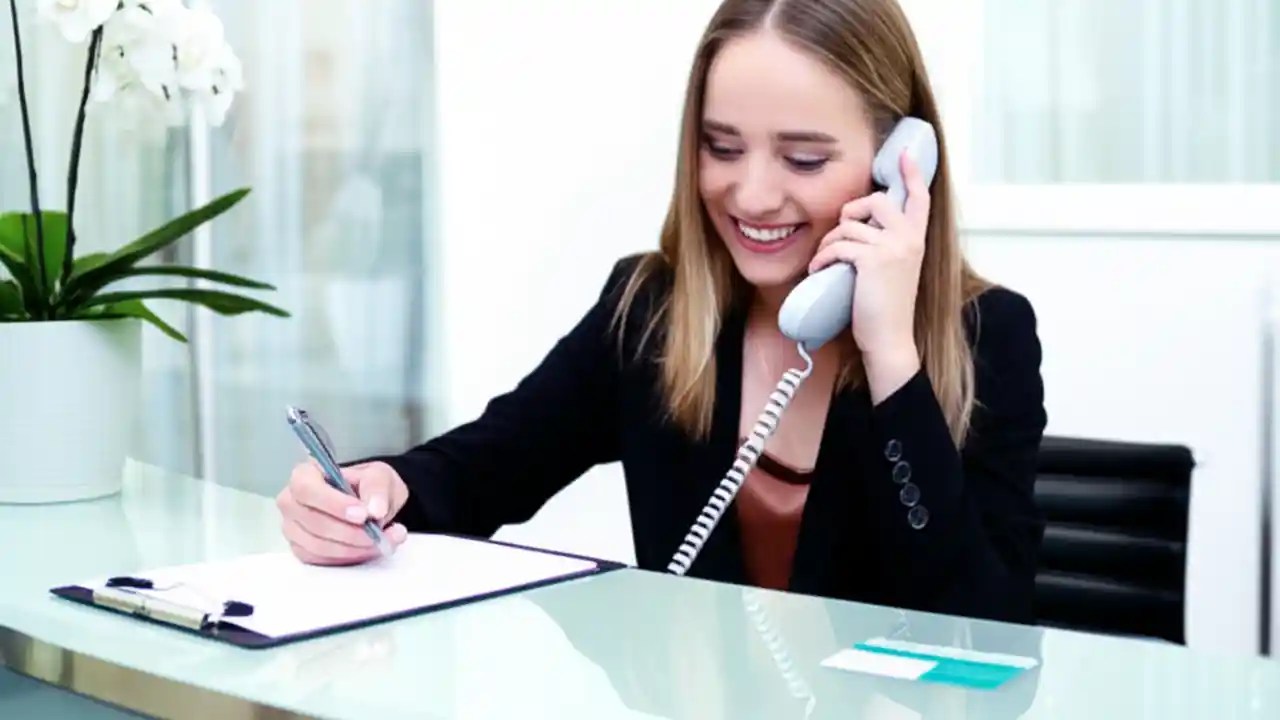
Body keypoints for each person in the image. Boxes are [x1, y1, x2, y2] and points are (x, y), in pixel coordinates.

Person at [275, 0, 1048, 624]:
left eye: (804, 158)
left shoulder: (987, 337)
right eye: (721, 147)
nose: (750, 195)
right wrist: (375, 491)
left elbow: (984, 626)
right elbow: (484, 468)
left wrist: (889, 357)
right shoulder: (649, 312)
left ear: (902, 166)